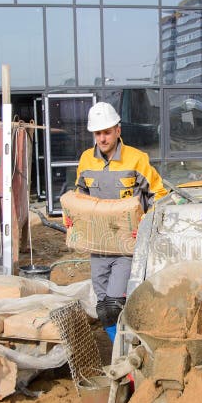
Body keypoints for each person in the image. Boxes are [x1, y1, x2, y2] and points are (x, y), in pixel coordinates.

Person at [75, 102, 166, 342]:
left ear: (118, 130)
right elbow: (80, 197)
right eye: (98, 133)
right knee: (103, 307)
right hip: (98, 245)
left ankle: (132, 350)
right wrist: (74, 222)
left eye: (107, 132)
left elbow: (159, 195)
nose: (102, 138)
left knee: (116, 303)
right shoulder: (86, 160)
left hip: (127, 245)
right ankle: (122, 351)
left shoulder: (136, 159)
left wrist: (144, 226)